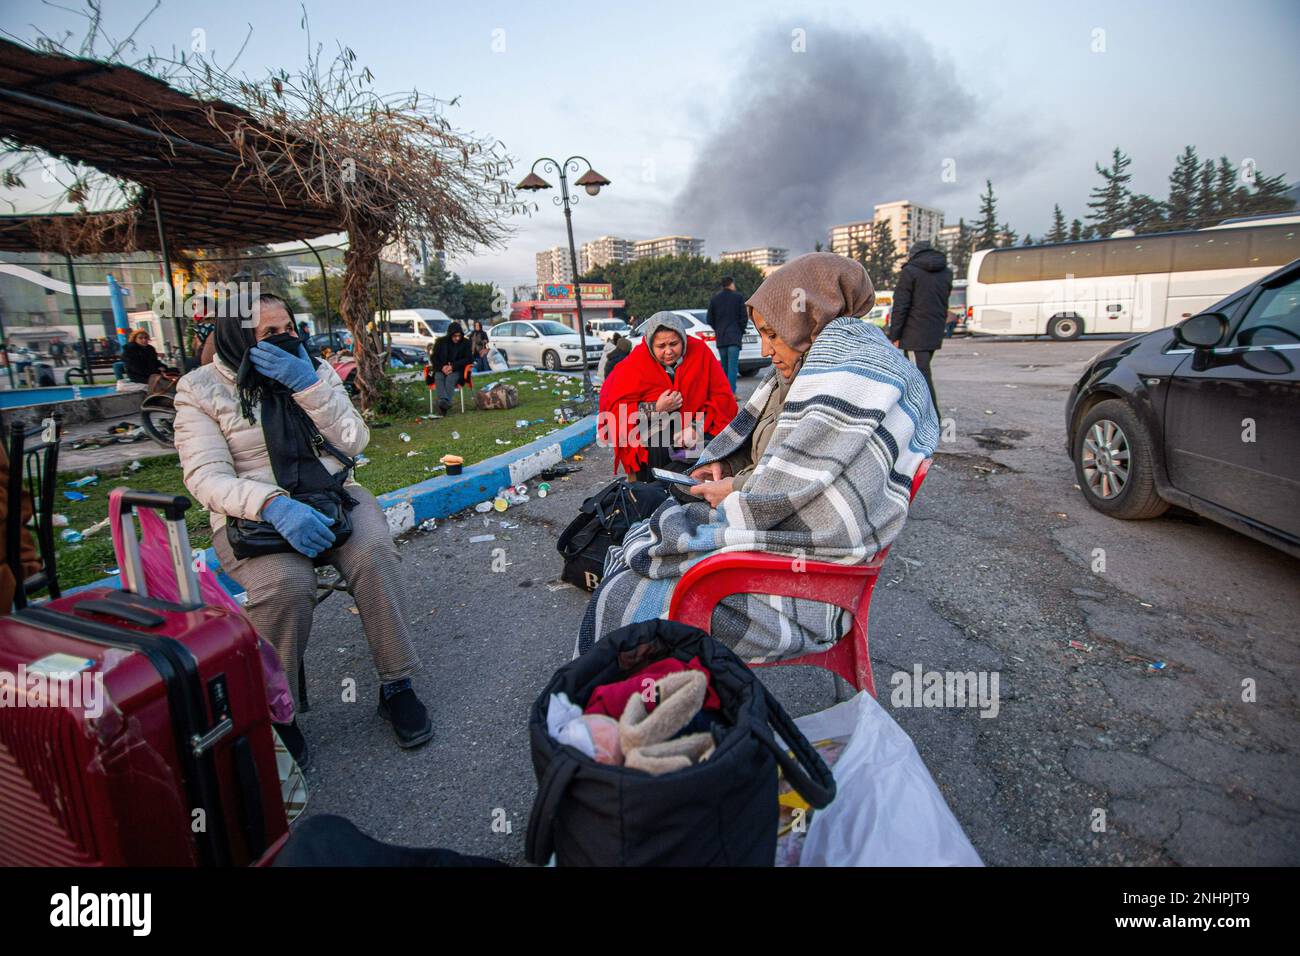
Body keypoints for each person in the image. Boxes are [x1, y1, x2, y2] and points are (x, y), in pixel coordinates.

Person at [579, 253, 939, 660]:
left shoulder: (844, 378)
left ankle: (633, 708)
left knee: (625, 588)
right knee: (637, 543)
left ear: (808, 320)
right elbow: (760, 445)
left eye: (772, 332)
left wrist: (729, 485)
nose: (765, 349)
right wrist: (726, 464)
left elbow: (802, 483)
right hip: (773, 542)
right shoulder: (799, 369)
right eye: (761, 334)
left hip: (804, 580)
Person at [173, 293, 431, 756]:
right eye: (268, 334)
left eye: (288, 328)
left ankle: (397, 685)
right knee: (287, 586)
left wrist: (308, 386)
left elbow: (354, 439)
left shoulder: (314, 369)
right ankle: (278, 708)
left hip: (332, 496)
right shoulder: (200, 389)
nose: (285, 339)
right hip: (254, 517)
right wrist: (273, 505)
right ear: (236, 336)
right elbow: (204, 476)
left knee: (374, 554)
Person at [598, 312, 737, 481]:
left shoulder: (700, 352)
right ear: (650, 344)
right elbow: (614, 407)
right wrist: (657, 407)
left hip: (699, 426)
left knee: (700, 452)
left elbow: (722, 398)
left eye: (674, 343)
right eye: (661, 346)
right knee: (655, 446)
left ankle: (682, 492)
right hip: (653, 429)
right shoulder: (638, 361)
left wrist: (695, 427)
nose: (669, 351)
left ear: (683, 340)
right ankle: (652, 494)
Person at [886, 240, 951, 416]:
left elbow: (901, 305)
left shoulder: (910, 272)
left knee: (919, 377)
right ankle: (927, 415)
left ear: (914, 254)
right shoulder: (946, 273)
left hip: (914, 335)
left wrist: (894, 335)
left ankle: (931, 417)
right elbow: (943, 303)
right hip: (934, 332)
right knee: (923, 372)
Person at [706, 276, 748, 393]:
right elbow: (744, 317)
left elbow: (709, 319)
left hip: (721, 338)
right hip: (734, 337)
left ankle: (723, 393)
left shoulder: (714, 299)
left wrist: (718, 329)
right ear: (731, 284)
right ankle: (732, 393)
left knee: (724, 368)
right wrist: (739, 330)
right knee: (733, 367)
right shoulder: (738, 297)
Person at [427, 321, 473, 414]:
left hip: (457, 370)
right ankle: (445, 401)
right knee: (438, 377)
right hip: (441, 369)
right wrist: (443, 367)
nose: (457, 338)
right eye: (454, 336)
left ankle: (443, 406)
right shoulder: (440, 342)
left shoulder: (465, 343)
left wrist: (453, 366)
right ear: (450, 335)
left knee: (450, 378)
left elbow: (469, 359)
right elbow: (434, 357)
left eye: (459, 336)